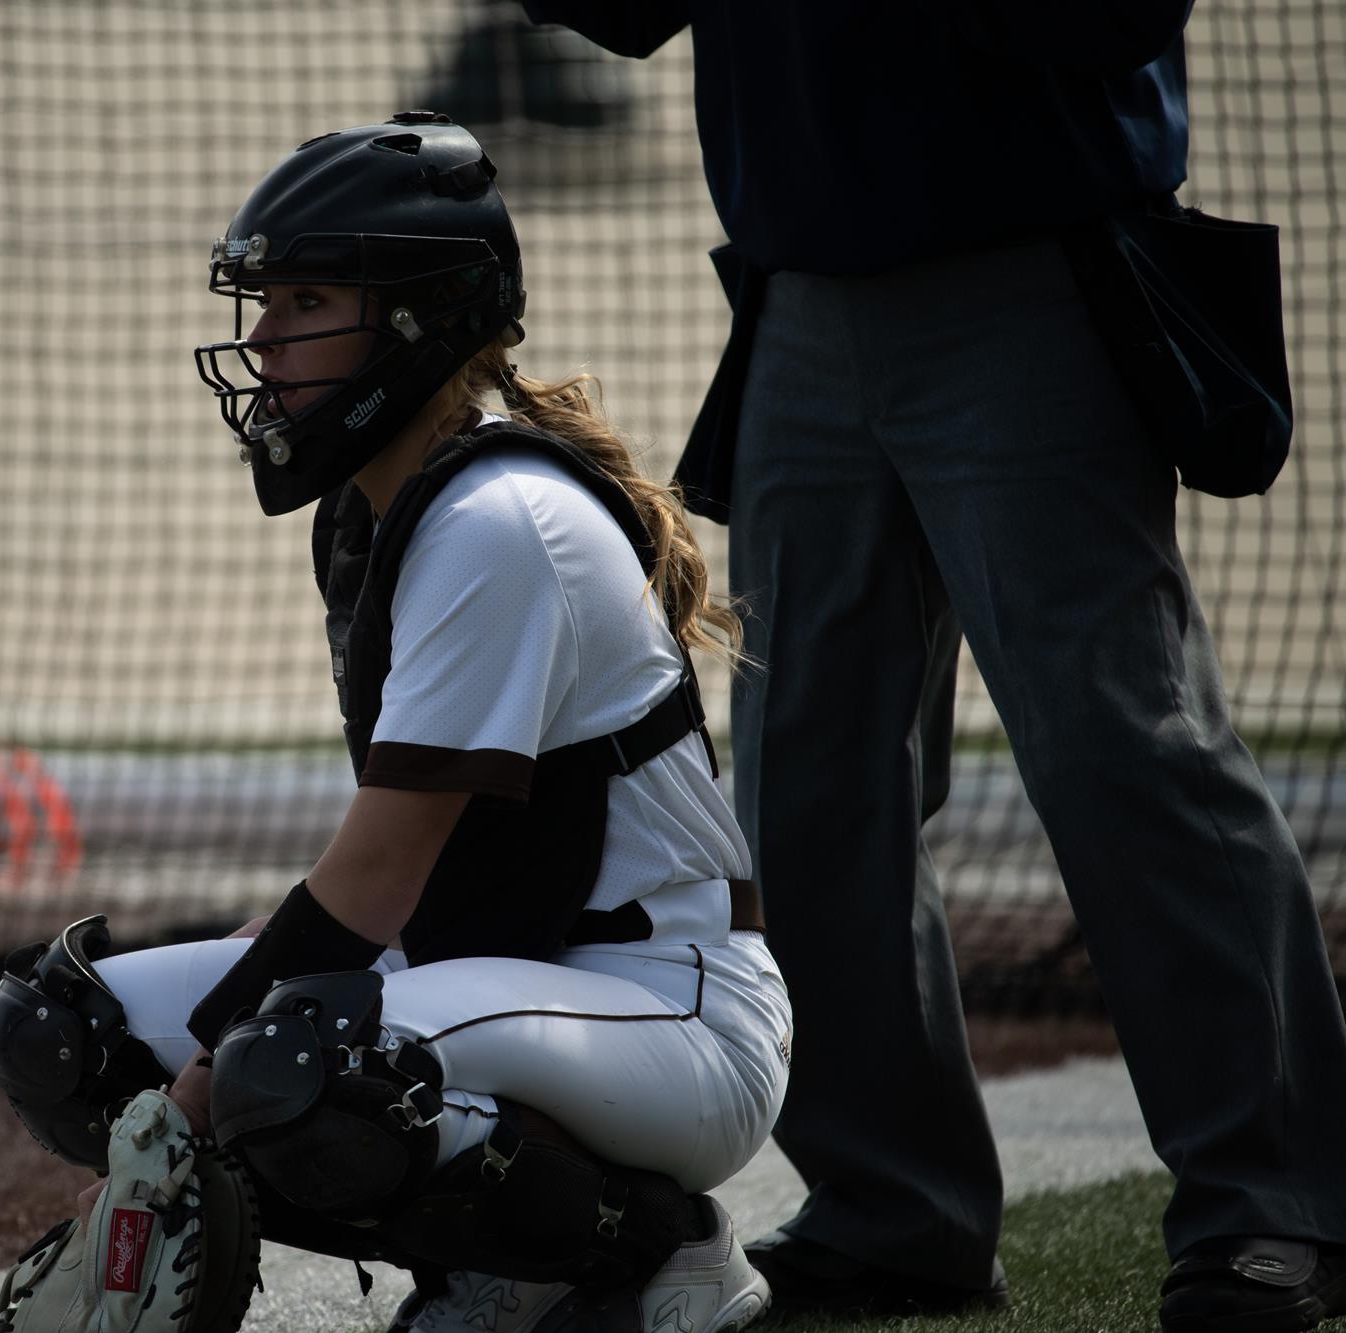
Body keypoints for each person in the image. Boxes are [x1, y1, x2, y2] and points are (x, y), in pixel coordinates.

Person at [511, 5, 1346, 1331]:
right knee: (803, 785)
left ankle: (1276, 1203)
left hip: (1029, 276)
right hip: (798, 297)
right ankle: (897, 1213)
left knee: (1123, 748)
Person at [0, 114, 791, 1333]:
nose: (261, 337)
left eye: (306, 301)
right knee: (66, 1031)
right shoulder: (378, 507)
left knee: (290, 1066)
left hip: (662, 1002)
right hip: (510, 969)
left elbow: (377, 872)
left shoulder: (498, 518)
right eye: (267, 298)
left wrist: (183, 1118)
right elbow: (414, 868)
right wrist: (193, 1072)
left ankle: (646, 1255)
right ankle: (499, 1254)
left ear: (416, 318)